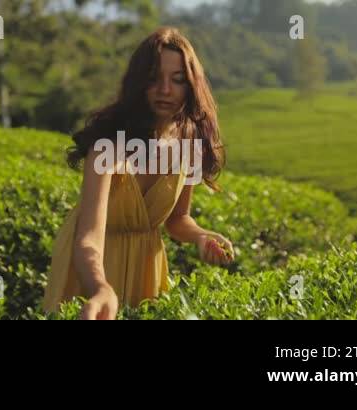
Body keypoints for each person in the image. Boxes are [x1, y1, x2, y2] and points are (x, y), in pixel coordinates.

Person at [43, 27, 234, 320]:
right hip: (92, 265)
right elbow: (89, 236)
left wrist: (200, 236)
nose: (165, 90)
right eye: (153, 78)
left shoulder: (189, 141)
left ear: (191, 84)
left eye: (177, 79)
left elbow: (177, 219)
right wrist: (100, 288)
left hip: (146, 263)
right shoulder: (110, 142)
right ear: (138, 82)